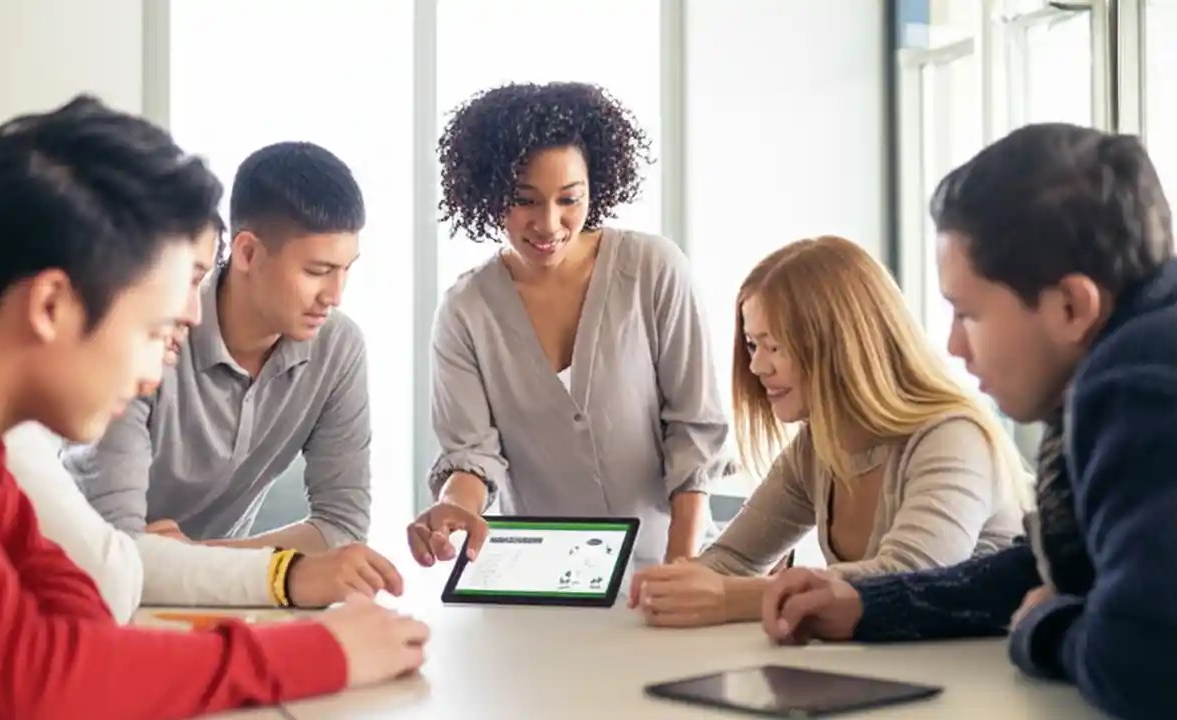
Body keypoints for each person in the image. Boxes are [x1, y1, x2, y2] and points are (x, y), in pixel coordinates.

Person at [0, 95, 427, 719]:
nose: (158, 368)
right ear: (51, 307)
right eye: (154, 331)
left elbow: (82, 607)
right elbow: (29, 679)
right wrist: (320, 653)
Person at [761, 123, 1177, 719]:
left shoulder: (1139, 385)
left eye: (967, 314)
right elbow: (1048, 566)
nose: (954, 346)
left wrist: (1044, 625)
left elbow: (1145, 658)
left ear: (1071, 306)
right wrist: (869, 604)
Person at [5, 217, 400, 621]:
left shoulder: (9, 437)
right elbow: (116, 567)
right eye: (188, 280)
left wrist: (190, 557)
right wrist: (291, 576)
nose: (194, 314)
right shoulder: (9, 445)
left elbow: (342, 527)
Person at [406, 81, 729, 568]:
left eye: (569, 199)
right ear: (490, 191)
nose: (549, 223)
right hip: (542, 578)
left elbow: (694, 431)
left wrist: (681, 565)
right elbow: (472, 453)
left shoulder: (652, 269)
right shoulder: (465, 310)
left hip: (666, 561)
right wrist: (455, 504)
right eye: (526, 200)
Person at [626, 236, 1027, 627]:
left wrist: (734, 597)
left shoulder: (953, 436)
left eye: (775, 346)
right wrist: (676, 585)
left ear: (841, 343)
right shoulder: (816, 447)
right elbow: (734, 559)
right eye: (752, 345)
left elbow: (908, 580)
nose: (757, 367)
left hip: (982, 681)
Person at [64, 141, 385, 566]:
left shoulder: (338, 348)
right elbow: (118, 542)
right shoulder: (152, 336)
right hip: (82, 577)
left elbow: (342, 528)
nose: (335, 296)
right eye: (317, 271)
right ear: (247, 252)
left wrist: (202, 557)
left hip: (221, 592)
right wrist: (209, 565)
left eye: (346, 270)